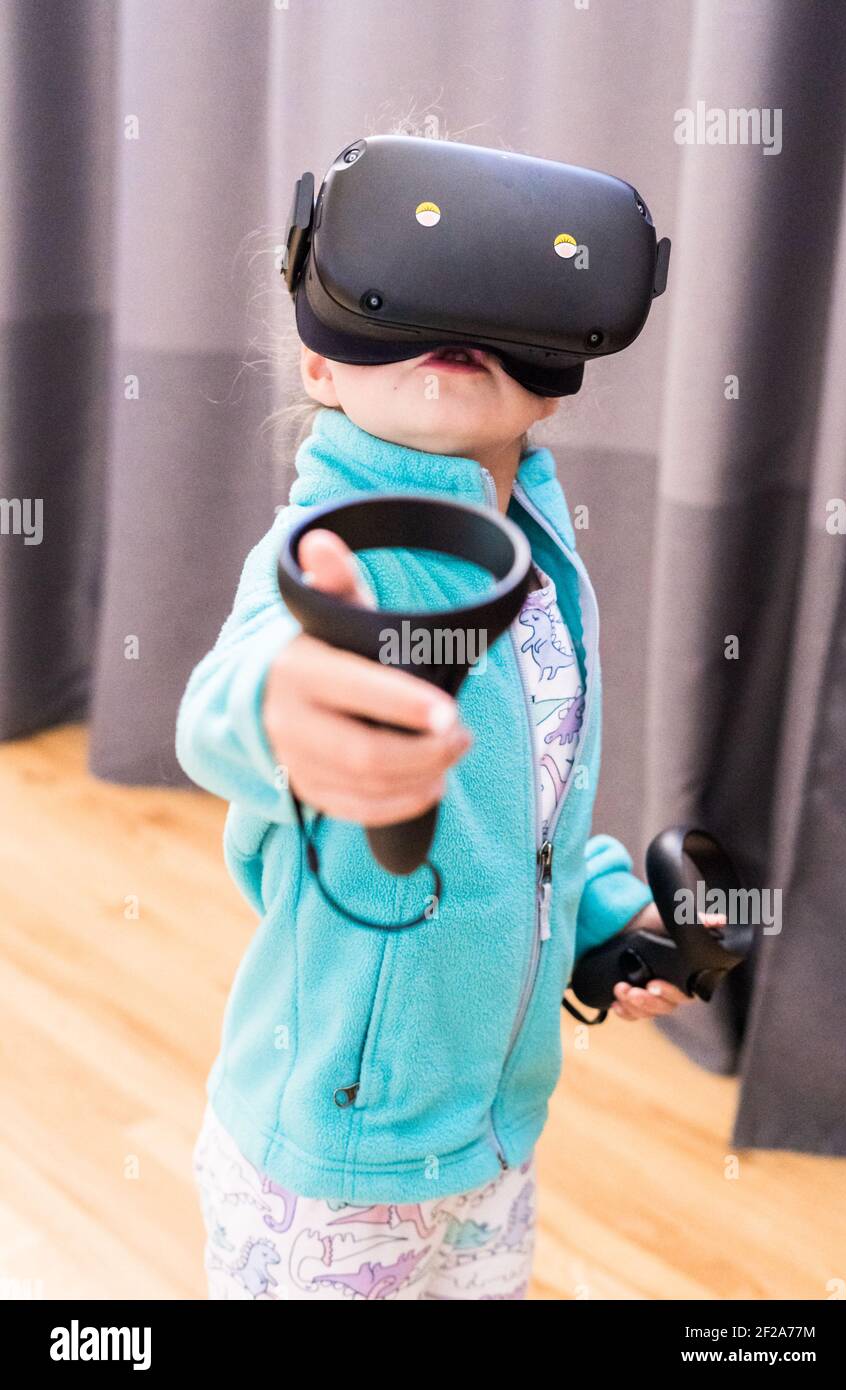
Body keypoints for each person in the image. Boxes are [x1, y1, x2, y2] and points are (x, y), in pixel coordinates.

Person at [177, 340, 716, 1300]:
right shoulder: (331, 556)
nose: (452, 328)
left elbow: (527, 819)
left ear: (554, 382)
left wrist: (608, 918)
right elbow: (220, 710)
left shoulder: (545, 572)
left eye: (493, 316)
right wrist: (278, 707)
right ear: (320, 367)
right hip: (338, 1164)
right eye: (405, 309)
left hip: (495, 1133)